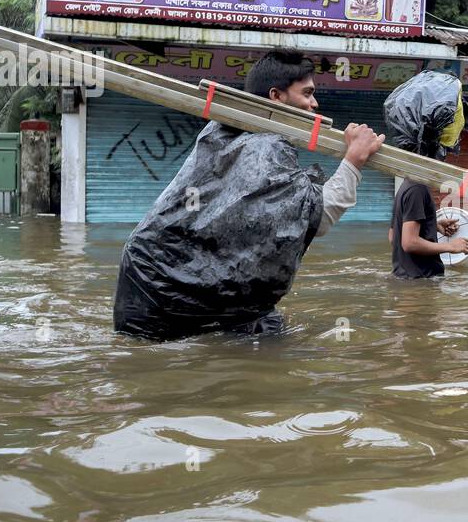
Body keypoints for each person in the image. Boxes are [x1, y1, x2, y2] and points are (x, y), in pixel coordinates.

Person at [113, 48, 384, 340]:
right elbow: (318, 218)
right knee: (261, 355)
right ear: (276, 96)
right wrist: (354, 160)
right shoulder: (267, 147)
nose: (314, 104)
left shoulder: (220, 131)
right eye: (307, 94)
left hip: (147, 279)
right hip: (171, 286)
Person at [383, 71, 468, 278]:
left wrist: (434, 228)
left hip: (406, 280)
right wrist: (451, 247)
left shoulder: (408, 182)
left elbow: (393, 236)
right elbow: (409, 242)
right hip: (418, 283)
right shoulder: (418, 186)